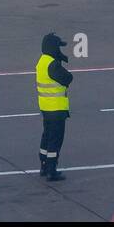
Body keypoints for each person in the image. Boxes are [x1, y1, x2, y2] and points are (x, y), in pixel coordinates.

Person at [35, 32, 73, 181]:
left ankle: (44, 165)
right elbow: (67, 78)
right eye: (58, 47)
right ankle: (52, 169)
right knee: (55, 139)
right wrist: (60, 62)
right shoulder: (52, 64)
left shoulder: (42, 61)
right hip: (56, 108)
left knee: (46, 136)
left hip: (46, 107)